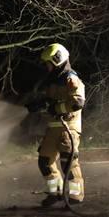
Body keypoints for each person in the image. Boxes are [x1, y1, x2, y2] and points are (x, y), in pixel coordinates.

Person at [28, 43, 87, 206]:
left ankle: (76, 196)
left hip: (69, 128)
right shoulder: (53, 81)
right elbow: (51, 102)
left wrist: (57, 108)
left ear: (57, 60)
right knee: (44, 161)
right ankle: (55, 193)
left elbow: (77, 103)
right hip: (53, 128)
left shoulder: (71, 79)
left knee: (68, 163)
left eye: (48, 63)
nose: (46, 67)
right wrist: (40, 105)